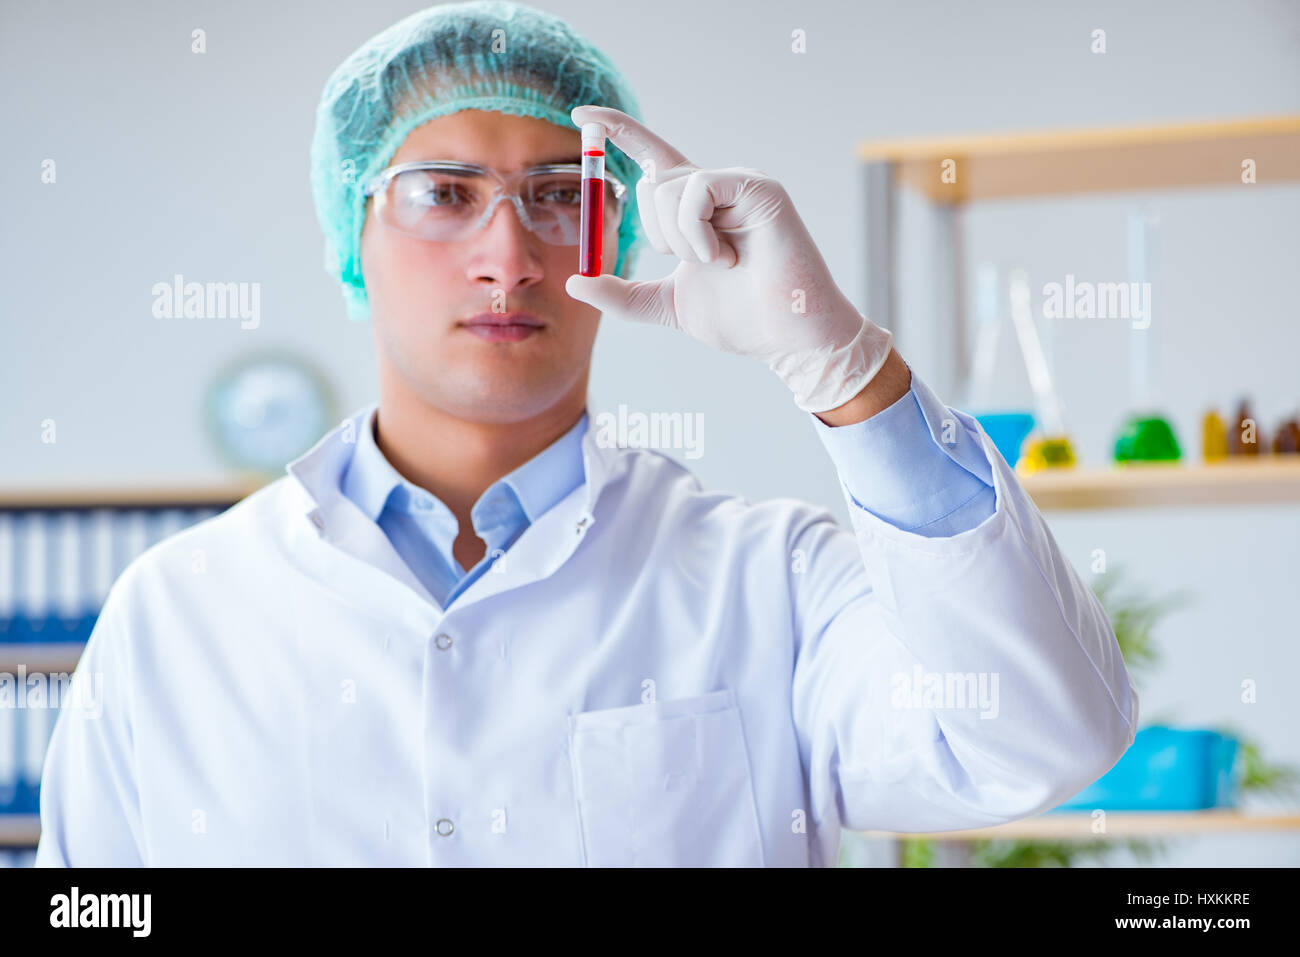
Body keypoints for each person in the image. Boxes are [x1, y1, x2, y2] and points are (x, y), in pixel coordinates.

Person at [35, 0, 1137, 867]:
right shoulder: (178, 614)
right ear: (351, 234)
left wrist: (841, 366)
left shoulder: (770, 582)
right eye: (443, 192)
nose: (508, 257)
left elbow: (1039, 739)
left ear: (616, 231)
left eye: (559, 194)